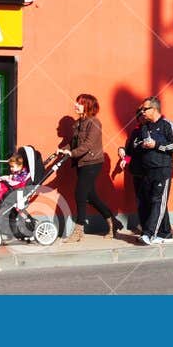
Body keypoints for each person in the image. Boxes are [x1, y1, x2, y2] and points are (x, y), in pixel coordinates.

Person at [61, 92, 116, 241]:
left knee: (80, 194)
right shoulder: (78, 123)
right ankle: (113, 222)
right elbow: (74, 142)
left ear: (87, 105)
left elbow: (88, 145)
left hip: (92, 163)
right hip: (81, 163)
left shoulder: (94, 123)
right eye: (76, 102)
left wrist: (72, 153)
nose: (75, 105)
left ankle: (79, 231)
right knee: (91, 197)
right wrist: (64, 149)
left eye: (79, 103)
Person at [126, 96, 173, 245]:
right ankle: (166, 234)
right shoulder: (145, 126)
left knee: (157, 201)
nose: (142, 112)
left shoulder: (168, 124)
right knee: (156, 202)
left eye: (145, 109)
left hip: (162, 169)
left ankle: (149, 234)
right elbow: (134, 145)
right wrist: (140, 146)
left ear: (154, 109)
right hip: (146, 170)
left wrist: (156, 145)